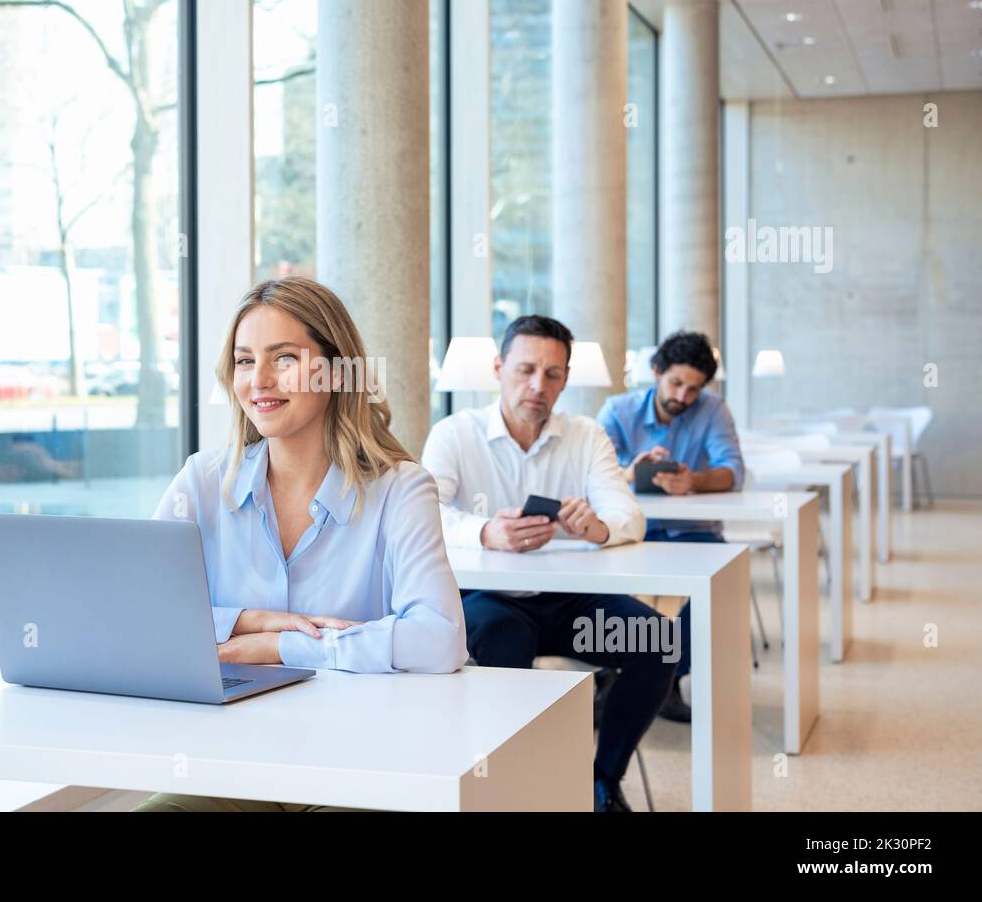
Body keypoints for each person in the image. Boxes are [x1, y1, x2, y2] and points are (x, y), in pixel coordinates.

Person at [137, 276, 468, 812]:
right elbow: (141, 614)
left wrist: (282, 648)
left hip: (365, 760)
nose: (259, 380)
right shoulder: (202, 481)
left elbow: (438, 639)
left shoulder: (400, 489)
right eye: (245, 361)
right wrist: (251, 622)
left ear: (337, 371)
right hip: (232, 761)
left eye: (283, 357)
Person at [420, 315, 673, 812]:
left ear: (565, 379)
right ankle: (515, 787)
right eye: (526, 369)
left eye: (553, 374)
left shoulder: (585, 435)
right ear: (499, 368)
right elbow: (420, 515)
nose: (538, 386)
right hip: (486, 602)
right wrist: (484, 531)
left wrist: (598, 528)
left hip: (569, 606)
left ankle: (602, 781)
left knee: (659, 641)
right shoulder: (455, 433)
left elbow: (629, 515)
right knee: (504, 637)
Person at [598, 330, 745, 723]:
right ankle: (618, 672)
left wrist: (693, 481)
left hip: (694, 530)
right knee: (599, 587)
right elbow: (592, 476)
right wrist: (629, 472)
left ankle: (665, 677)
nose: (683, 397)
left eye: (694, 389)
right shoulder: (617, 410)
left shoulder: (713, 409)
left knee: (718, 586)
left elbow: (733, 471)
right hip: (632, 531)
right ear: (656, 371)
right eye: (676, 383)